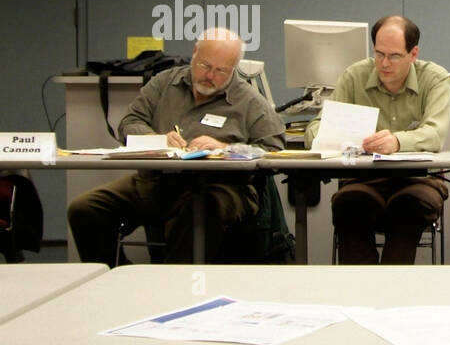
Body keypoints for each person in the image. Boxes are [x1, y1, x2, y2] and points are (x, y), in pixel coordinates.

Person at [68, 27, 286, 265]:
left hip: (222, 186)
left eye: (221, 71)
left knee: (199, 211)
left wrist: (225, 148)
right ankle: (116, 275)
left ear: (234, 68)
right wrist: (157, 139)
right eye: (205, 65)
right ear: (194, 53)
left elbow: (273, 148)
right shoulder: (164, 83)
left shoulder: (249, 101)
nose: (210, 76)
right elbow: (129, 123)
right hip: (155, 181)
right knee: (85, 209)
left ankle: (176, 286)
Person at [305, 15, 450, 264]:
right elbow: (314, 130)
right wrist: (336, 136)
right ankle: (363, 292)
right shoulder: (354, 76)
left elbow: (435, 134)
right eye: (378, 54)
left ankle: (391, 291)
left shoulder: (434, 78)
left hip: (418, 179)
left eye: (394, 56)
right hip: (363, 178)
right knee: (349, 205)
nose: (384, 63)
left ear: (413, 53)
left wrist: (397, 141)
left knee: (408, 207)